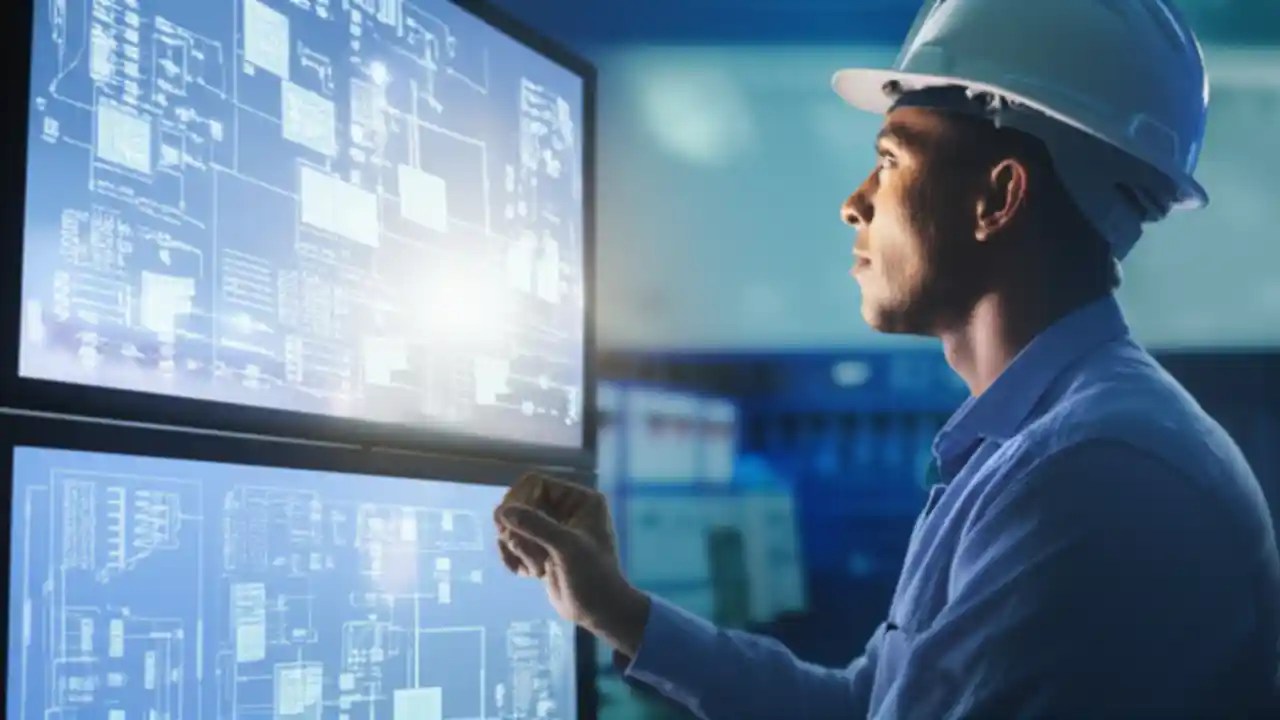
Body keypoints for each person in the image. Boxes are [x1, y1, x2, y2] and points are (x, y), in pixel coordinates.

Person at [494, 0, 1280, 716]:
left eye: (893, 159)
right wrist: (616, 610)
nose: (855, 201)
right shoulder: (1028, 449)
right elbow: (866, 703)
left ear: (996, 200)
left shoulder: (1096, 471)